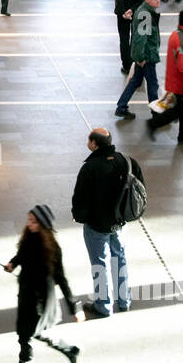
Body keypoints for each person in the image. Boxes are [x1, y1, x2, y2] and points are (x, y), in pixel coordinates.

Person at [0, 205, 83, 363]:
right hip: (26, 295)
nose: (29, 224)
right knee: (33, 333)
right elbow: (22, 255)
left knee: (26, 335)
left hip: (41, 301)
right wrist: (13, 263)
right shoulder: (28, 239)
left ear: (43, 224)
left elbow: (61, 278)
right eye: (29, 220)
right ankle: (69, 350)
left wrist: (75, 307)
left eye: (33, 221)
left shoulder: (53, 249)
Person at [71, 128, 143, 318]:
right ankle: (124, 300)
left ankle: (103, 306)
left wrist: (79, 216)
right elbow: (139, 187)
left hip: (97, 225)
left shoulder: (90, 167)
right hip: (119, 222)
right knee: (119, 258)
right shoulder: (126, 161)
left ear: (94, 144)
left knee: (100, 263)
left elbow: (80, 198)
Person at [147, 10, 183, 145]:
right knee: (179, 110)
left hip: (175, 81)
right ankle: (154, 123)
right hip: (182, 84)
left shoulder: (175, 35)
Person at [115, 0, 161, 120]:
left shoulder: (143, 11)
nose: (159, 1)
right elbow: (141, 38)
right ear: (148, 0)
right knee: (152, 84)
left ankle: (121, 107)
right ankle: (156, 113)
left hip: (143, 55)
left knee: (135, 81)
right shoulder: (145, 15)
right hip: (147, 56)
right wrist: (141, 57)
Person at [113, 0, 152, 75]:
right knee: (136, 38)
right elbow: (145, 0)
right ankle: (135, 63)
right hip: (138, 14)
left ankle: (126, 65)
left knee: (123, 38)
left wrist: (123, 11)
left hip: (123, 14)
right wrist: (133, 10)